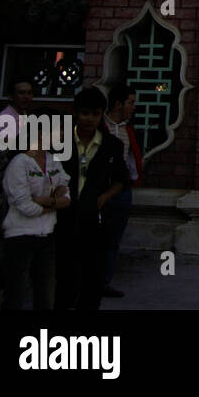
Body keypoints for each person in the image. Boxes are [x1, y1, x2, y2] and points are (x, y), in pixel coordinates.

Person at [55, 87, 127, 310]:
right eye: (85, 113)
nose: (90, 119)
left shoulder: (112, 146)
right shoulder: (59, 142)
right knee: (64, 277)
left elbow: (121, 180)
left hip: (95, 219)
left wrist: (103, 198)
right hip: (63, 218)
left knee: (92, 277)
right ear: (76, 113)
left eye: (95, 114)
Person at [1, 144, 70, 310]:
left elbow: (66, 195)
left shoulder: (53, 160)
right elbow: (25, 206)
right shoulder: (19, 163)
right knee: (15, 293)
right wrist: (54, 204)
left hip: (47, 233)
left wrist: (41, 201)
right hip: (20, 235)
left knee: (45, 293)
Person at [102, 81, 143, 298]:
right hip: (101, 189)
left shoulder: (128, 129)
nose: (133, 107)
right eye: (130, 102)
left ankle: (104, 281)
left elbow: (131, 159)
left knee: (113, 239)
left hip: (122, 189)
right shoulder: (101, 127)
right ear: (118, 104)